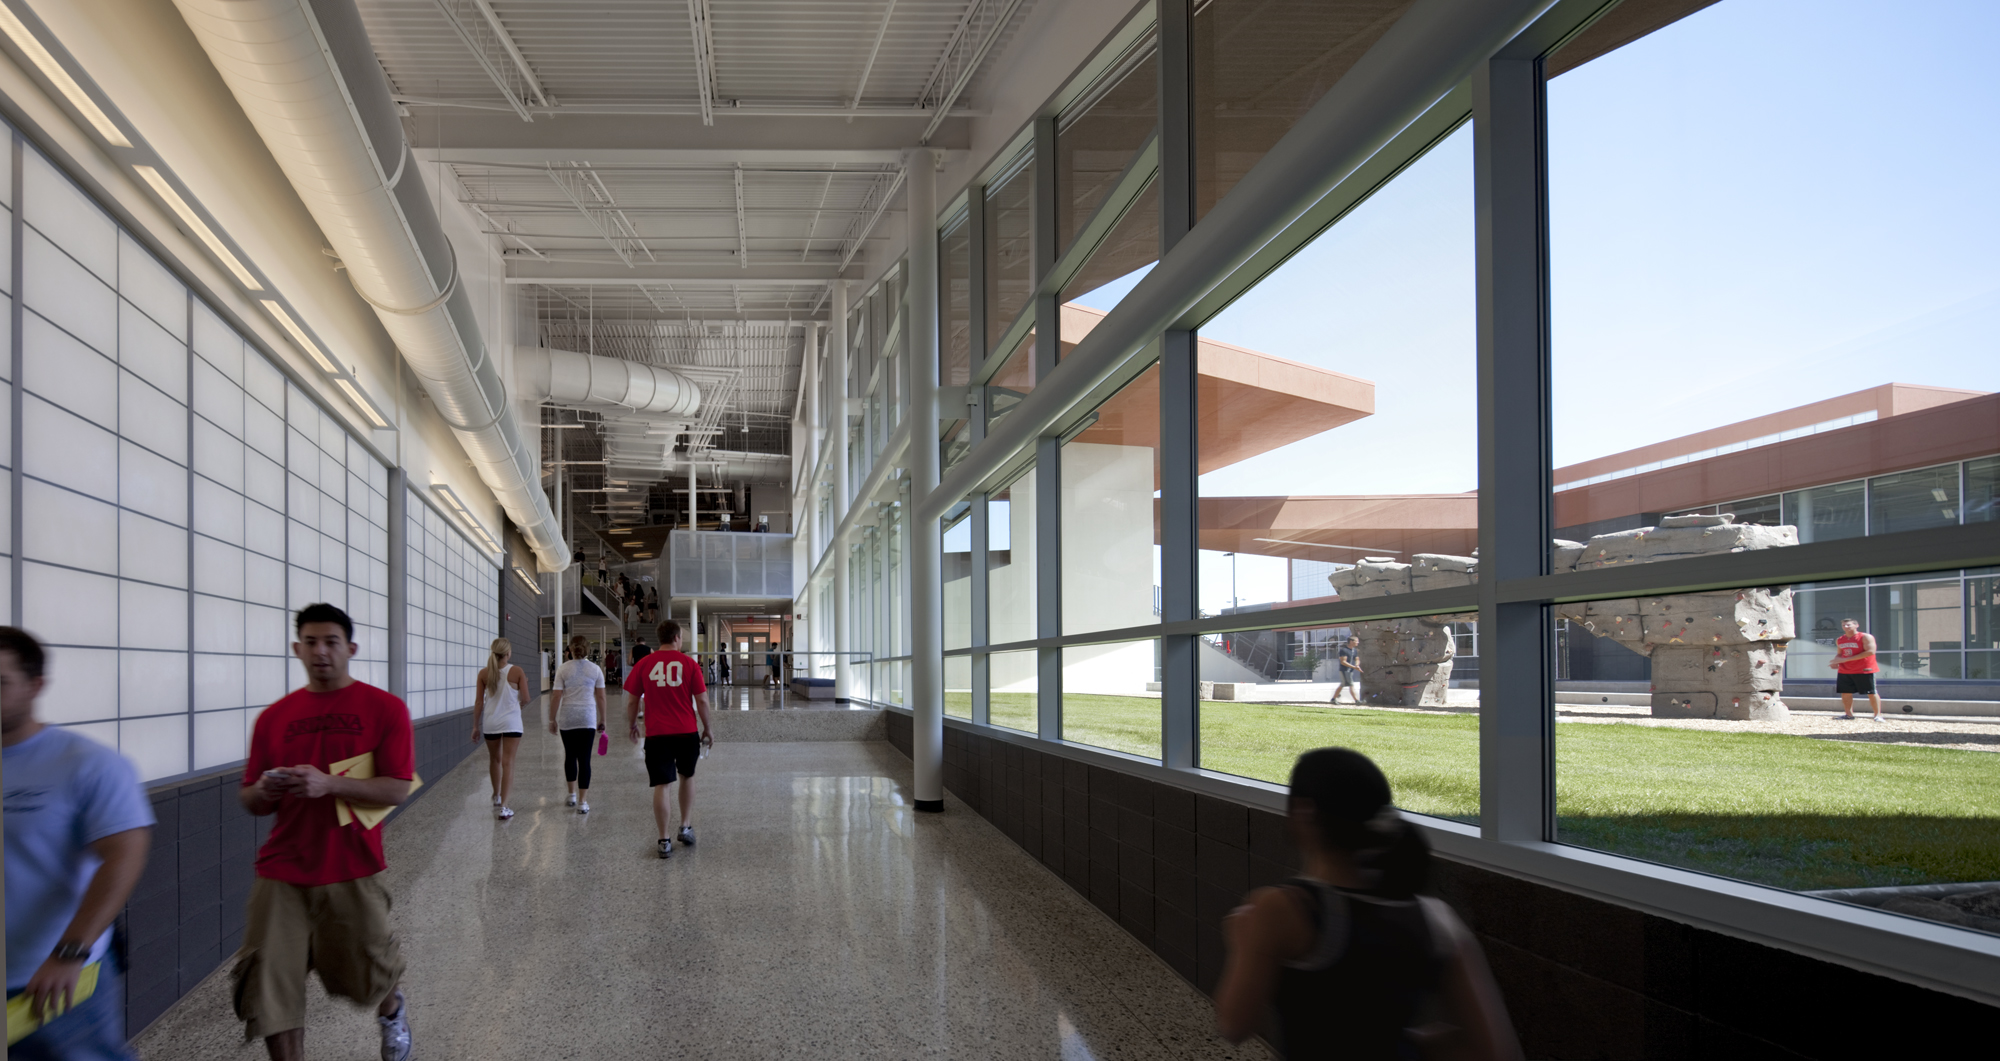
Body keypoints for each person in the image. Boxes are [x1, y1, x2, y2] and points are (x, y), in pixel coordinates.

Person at [1215, 748, 1521, 1060]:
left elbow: (1234, 1025)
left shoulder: (1280, 908)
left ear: (1303, 812)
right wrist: (1398, 1044)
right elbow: (1496, 1052)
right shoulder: (1437, 917)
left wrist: (1242, 941)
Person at [236, 603, 416, 1061]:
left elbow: (397, 787)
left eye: (331, 642)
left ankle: (391, 1009)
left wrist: (329, 784)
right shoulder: (273, 718)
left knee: (371, 973)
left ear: (350, 649)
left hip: (351, 865)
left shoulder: (384, 709)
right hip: (281, 871)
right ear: (296, 649)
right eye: (311, 642)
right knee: (270, 991)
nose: (320, 651)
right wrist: (263, 790)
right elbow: (250, 800)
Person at [3, 627, 155, 1060]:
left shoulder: (87, 764)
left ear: (35, 686)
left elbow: (124, 854)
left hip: (52, 978)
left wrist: (70, 952)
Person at [625, 621, 714, 859]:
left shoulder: (644, 664)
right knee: (687, 776)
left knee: (662, 784)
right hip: (686, 731)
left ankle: (664, 840)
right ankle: (685, 826)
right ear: (676, 637)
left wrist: (632, 724)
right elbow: (702, 701)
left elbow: (633, 701)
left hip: (657, 733)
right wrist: (707, 728)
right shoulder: (689, 664)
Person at [472, 638, 530, 820]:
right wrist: (517, 704)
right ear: (508, 653)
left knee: (495, 759)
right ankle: (504, 807)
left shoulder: (484, 673)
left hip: (491, 722)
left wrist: (475, 726)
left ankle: (496, 796)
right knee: (508, 762)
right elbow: (526, 698)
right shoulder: (517, 671)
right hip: (511, 723)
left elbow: (479, 702)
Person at [549, 634, 607, 814]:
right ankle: (583, 802)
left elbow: (556, 696)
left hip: (568, 718)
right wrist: (603, 719)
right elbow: (601, 697)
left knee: (570, 756)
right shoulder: (595, 669)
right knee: (585, 759)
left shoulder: (562, 669)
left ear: (570, 650)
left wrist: (552, 719)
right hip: (587, 718)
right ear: (587, 649)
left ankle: (571, 795)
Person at [1830, 617, 1883, 721]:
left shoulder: (1865, 637)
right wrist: (1836, 661)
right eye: (1843, 625)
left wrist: (1846, 659)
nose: (1846, 627)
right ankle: (1848, 714)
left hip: (1864, 669)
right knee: (1845, 693)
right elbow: (1840, 654)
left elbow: (1870, 651)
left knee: (1871, 692)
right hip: (1845, 670)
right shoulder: (1840, 639)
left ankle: (1878, 715)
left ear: (1856, 625)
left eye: (1848, 624)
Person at [1331, 635, 1362, 705]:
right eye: (1356, 641)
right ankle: (1357, 701)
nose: (1358, 642)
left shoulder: (1354, 650)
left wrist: (1357, 665)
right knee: (1351, 684)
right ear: (1351, 641)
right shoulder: (1344, 650)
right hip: (1344, 670)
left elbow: (1357, 659)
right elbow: (1343, 662)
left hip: (1350, 671)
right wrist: (1354, 667)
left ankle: (1333, 699)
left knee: (1343, 684)